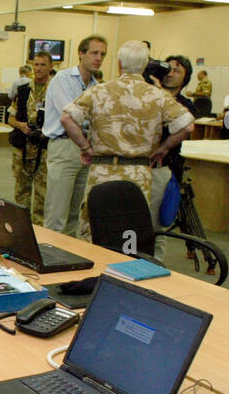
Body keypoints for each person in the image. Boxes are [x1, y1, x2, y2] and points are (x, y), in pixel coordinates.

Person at [61, 40, 195, 242]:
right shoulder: (158, 95)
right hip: (138, 173)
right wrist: (164, 148)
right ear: (144, 66)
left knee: (94, 230)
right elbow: (187, 126)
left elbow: (67, 118)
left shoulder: (99, 91)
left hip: (102, 172)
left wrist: (86, 147)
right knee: (131, 231)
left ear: (119, 64)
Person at [42, 35, 107, 236]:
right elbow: (70, 116)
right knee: (56, 213)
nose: (98, 58)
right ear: (81, 53)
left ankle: (67, 258)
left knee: (74, 215)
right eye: (94, 53)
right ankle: (49, 255)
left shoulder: (96, 86)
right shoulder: (63, 79)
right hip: (64, 146)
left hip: (85, 147)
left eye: (102, 54)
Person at [148, 54, 197, 262]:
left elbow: (180, 126)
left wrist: (165, 147)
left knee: (157, 226)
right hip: (138, 168)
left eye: (177, 70)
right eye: (168, 68)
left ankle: (155, 265)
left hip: (162, 169)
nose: (171, 74)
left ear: (186, 78)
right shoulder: (148, 96)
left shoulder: (186, 106)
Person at [7, 51, 53, 223]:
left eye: (43, 65)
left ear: (50, 67)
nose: (39, 68)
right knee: (21, 193)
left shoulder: (56, 90)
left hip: (44, 150)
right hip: (22, 149)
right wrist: (21, 126)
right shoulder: (23, 90)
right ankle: (22, 228)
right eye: (36, 64)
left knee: (42, 196)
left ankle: (39, 232)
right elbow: (10, 118)